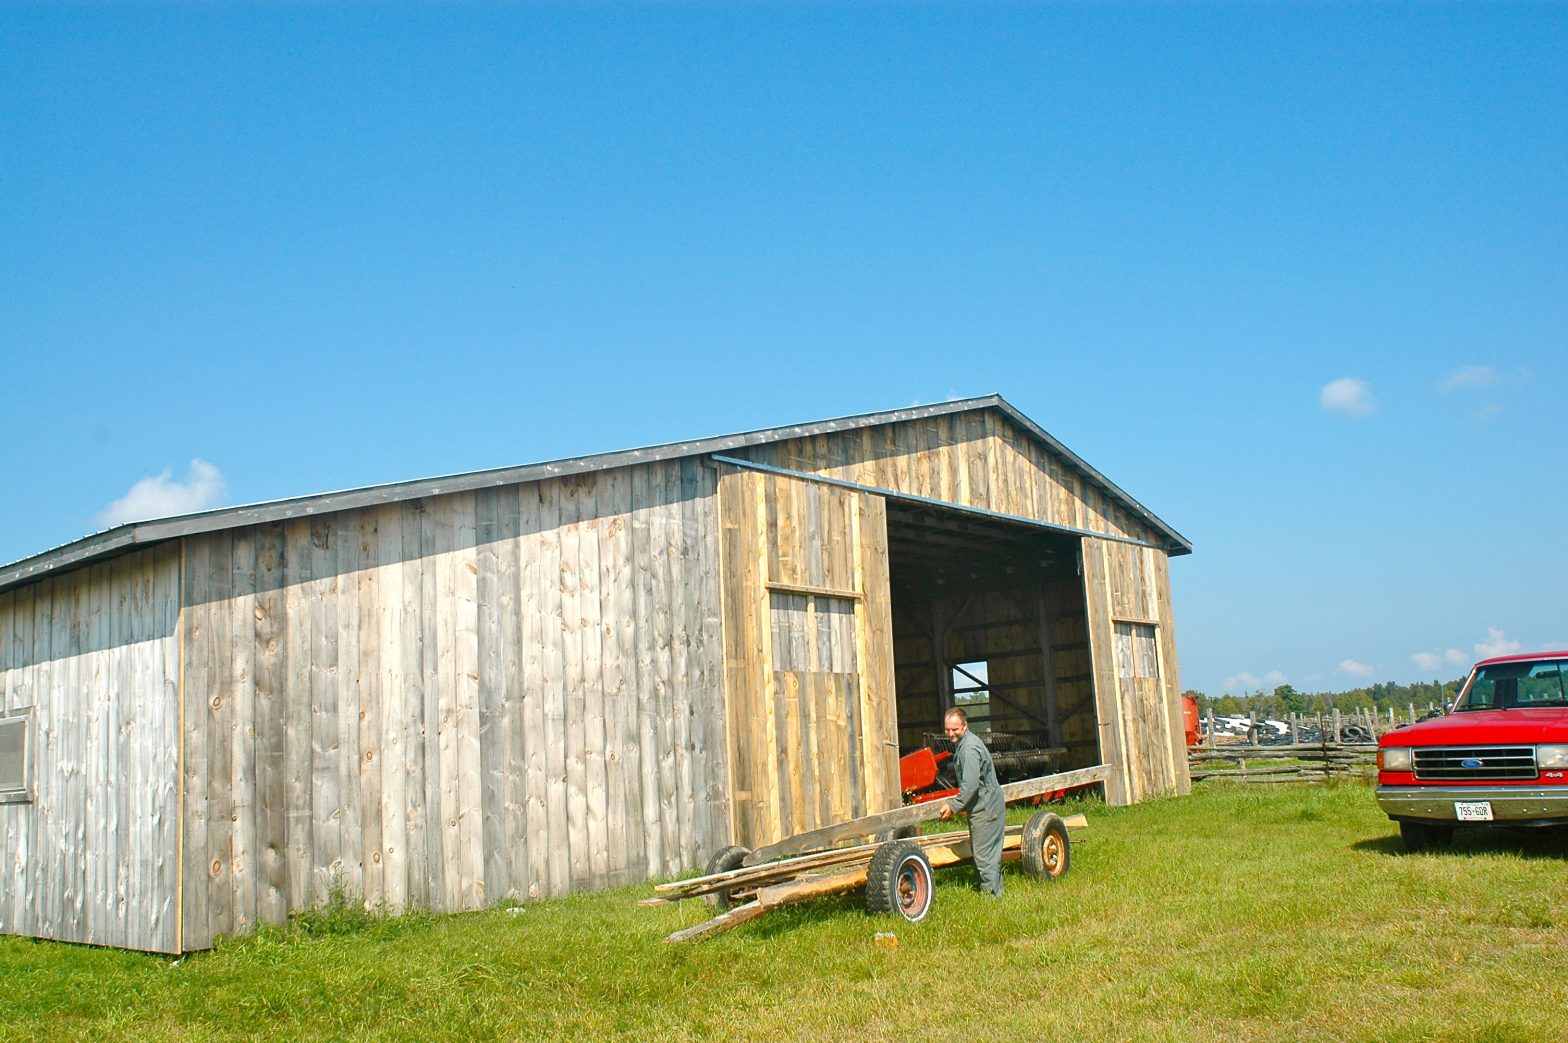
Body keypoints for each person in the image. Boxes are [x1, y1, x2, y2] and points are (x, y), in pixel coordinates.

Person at [936, 707, 1006, 896]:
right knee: (989, 853)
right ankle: (995, 893)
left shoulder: (968, 750)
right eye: (947, 729)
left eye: (955, 729)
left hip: (985, 807)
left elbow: (970, 786)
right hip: (986, 804)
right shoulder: (968, 743)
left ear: (965, 726)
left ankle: (991, 898)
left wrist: (953, 806)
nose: (950, 733)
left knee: (984, 856)